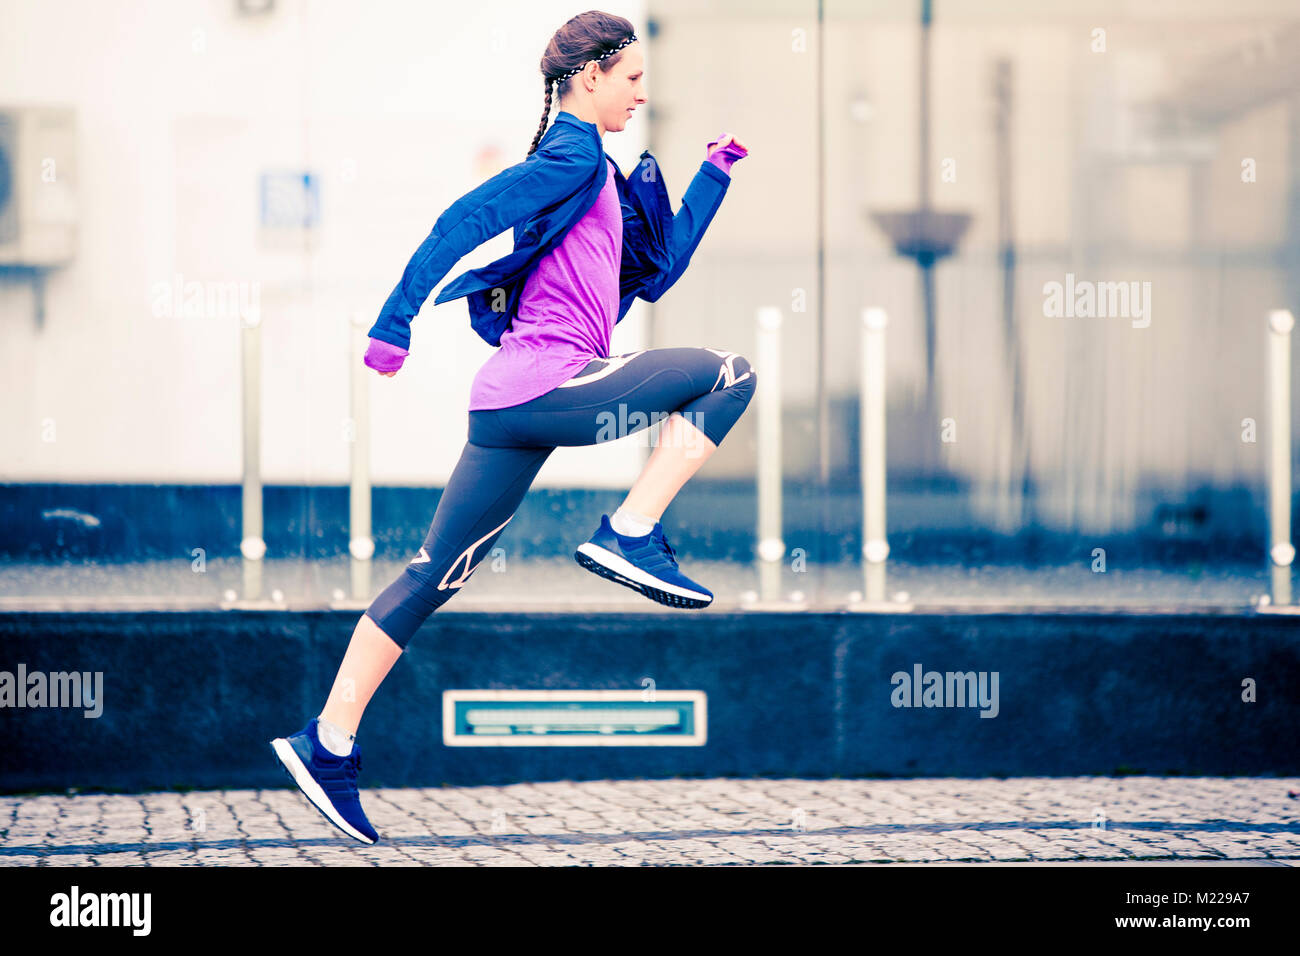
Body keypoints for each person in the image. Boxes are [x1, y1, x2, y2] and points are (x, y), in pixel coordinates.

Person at [270, 10, 753, 845]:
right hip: (546, 385)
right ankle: (629, 532)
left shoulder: (599, 172)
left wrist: (711, 175)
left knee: (435, 572)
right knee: (730, 375)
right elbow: (462, 222)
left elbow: (659, 268)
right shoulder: (567, 157)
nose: (644, 92)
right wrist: (395, 323)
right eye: (633, 77)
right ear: (590, 76)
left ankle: (328, 742)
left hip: (511, 407)